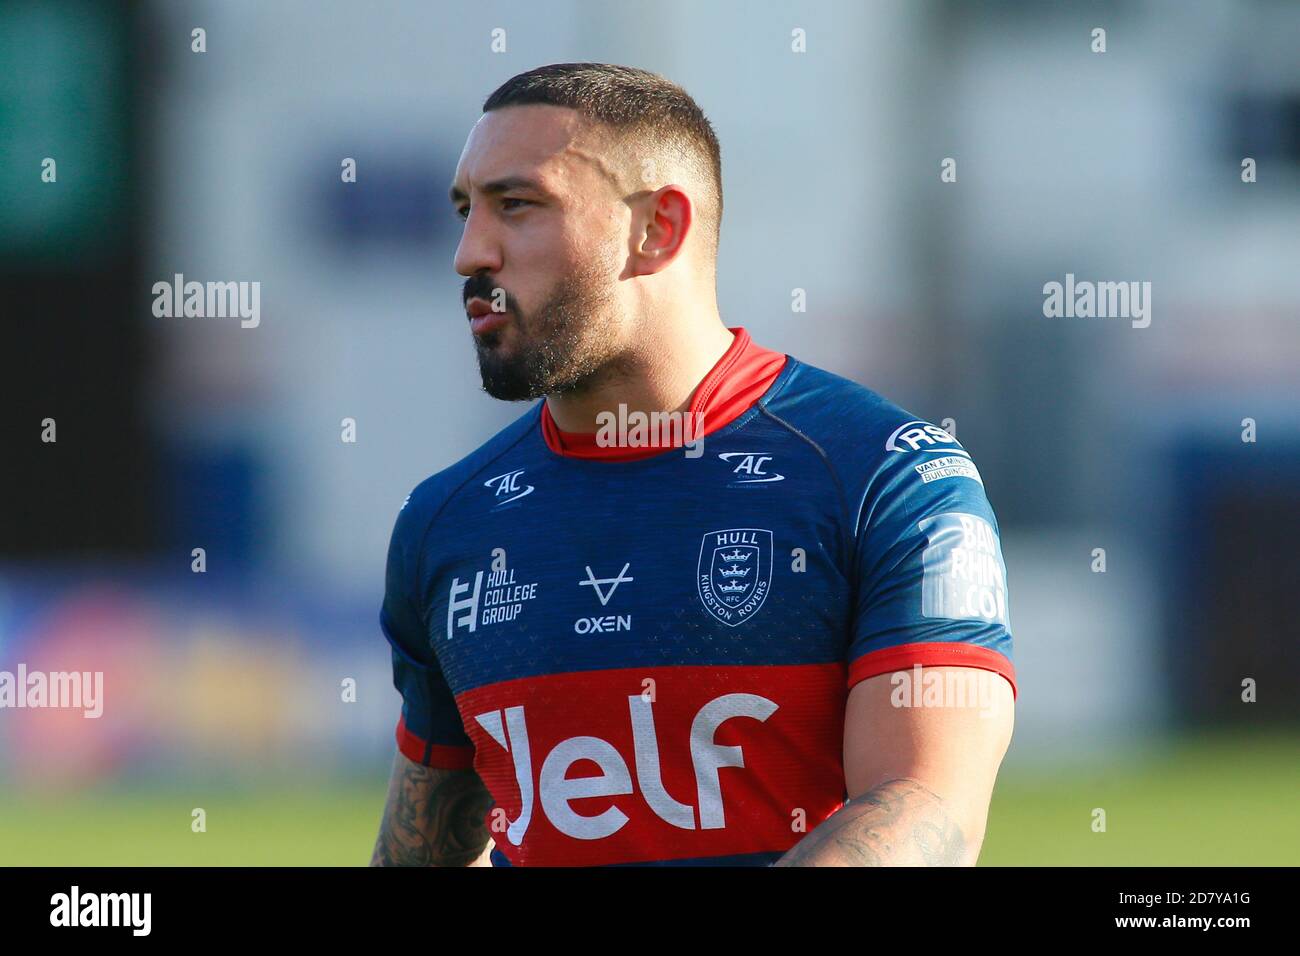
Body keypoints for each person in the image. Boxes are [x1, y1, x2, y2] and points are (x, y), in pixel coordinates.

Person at [369, 63, 1015, 867]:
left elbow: (930, 805)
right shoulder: (447, 523)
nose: (470, 253)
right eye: (466, 211)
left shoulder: (886, 479)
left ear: (657, 230)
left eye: (518, 205)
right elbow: (420, 851)